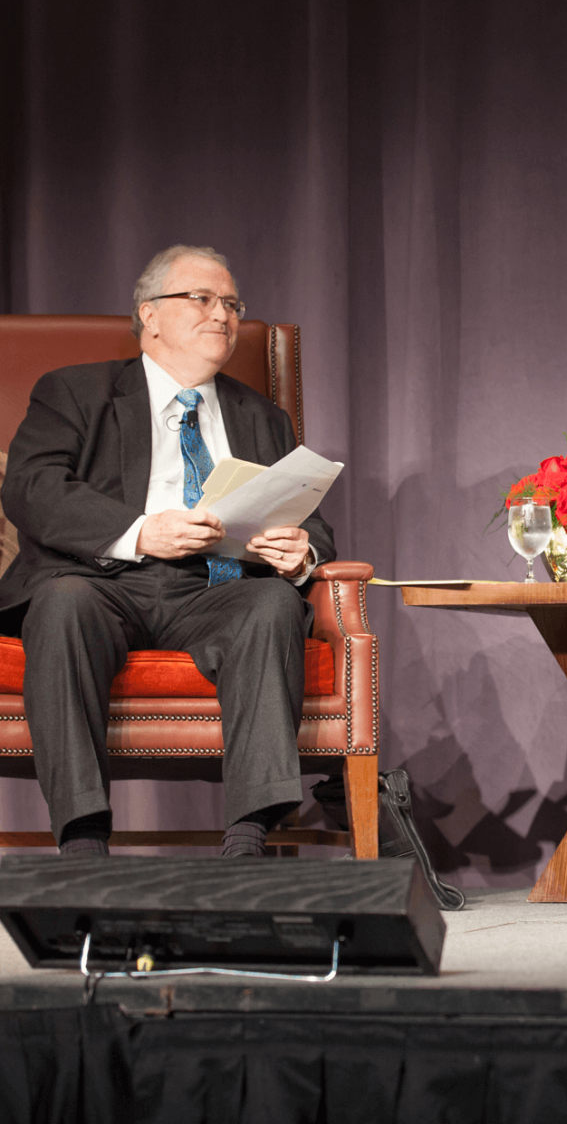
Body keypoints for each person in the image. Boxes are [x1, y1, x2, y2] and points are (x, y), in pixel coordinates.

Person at [0, 245, 336, 857]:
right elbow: (32, 488)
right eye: (202, 299)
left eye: (232, 304)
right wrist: (139, 531)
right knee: (62, 603)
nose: (223, 315)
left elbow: (311, 519)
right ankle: (82, 839)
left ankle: (249, 834)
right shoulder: (76, 391)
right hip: (102, 581)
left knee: (271, 603)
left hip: (215, 590)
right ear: (149, 315)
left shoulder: (261, 416)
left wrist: (300, 552)